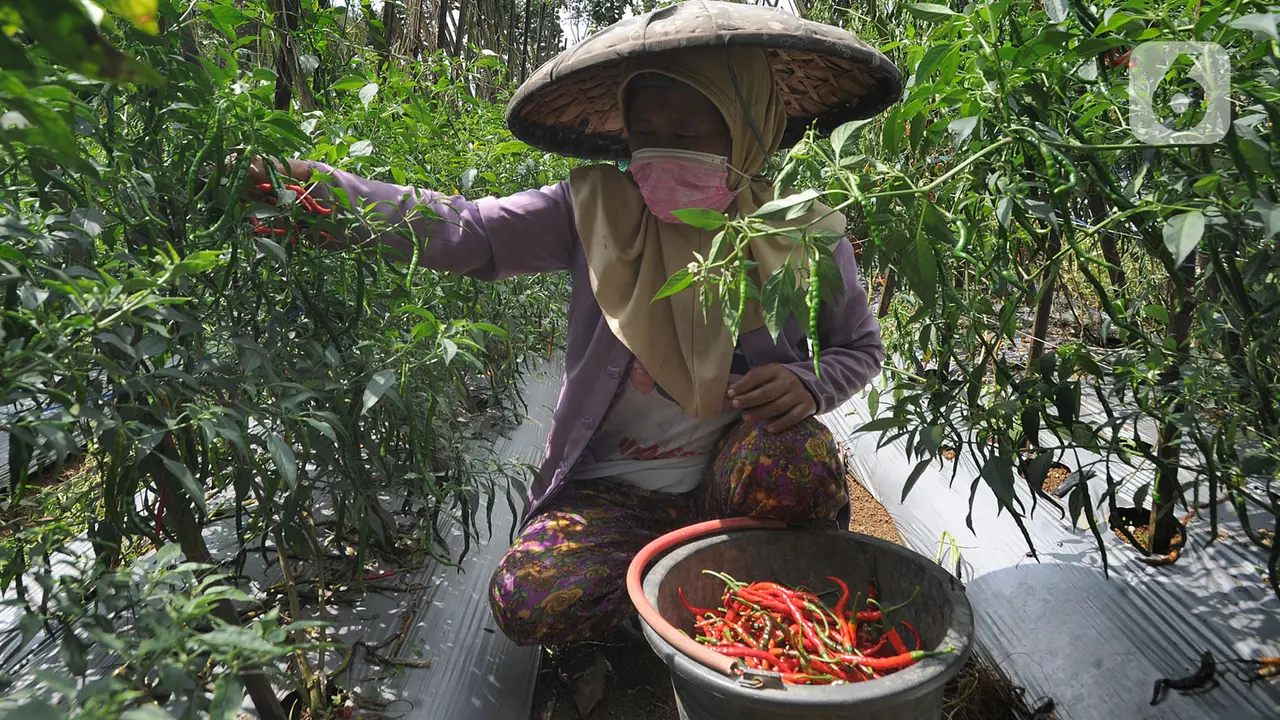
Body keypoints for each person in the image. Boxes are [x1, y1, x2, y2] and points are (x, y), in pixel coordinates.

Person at [241, 1, 900, 648]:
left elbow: (859, 349)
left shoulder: (803, 230)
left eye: (692, 133)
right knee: (528, 599)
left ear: (747, 128)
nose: (665, 150)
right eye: (649, 132)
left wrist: (808, 383)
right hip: (615, 489)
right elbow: (471, 233)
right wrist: (325, 194)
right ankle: (685, 587)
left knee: (798, 458)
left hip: (730, 477)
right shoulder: (592, 209)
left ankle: (744, 582)